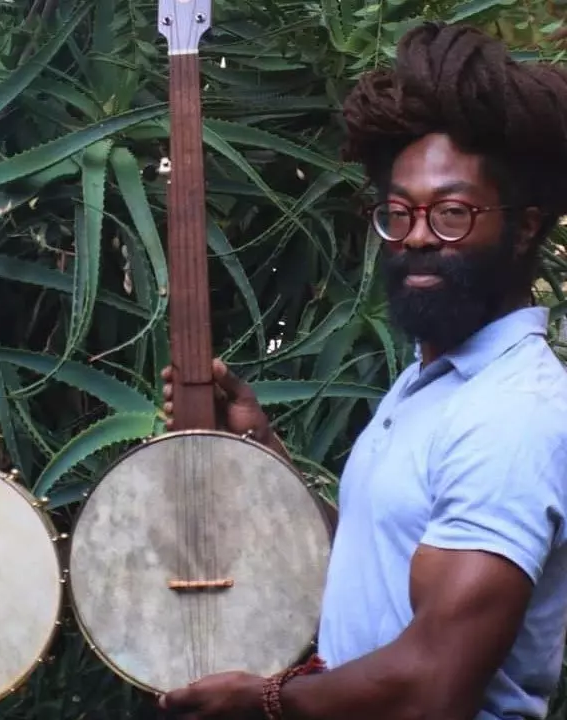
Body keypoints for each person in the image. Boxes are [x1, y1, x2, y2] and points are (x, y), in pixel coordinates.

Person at [159, 21, 567, 720]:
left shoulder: (516, 415)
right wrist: (263, 450)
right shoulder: (429, 385)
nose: (414, 237)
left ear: (525, 227)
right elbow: (370, 567)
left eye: (451, 214)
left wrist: (265, 702)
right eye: (398, 212)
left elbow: (433, 684)